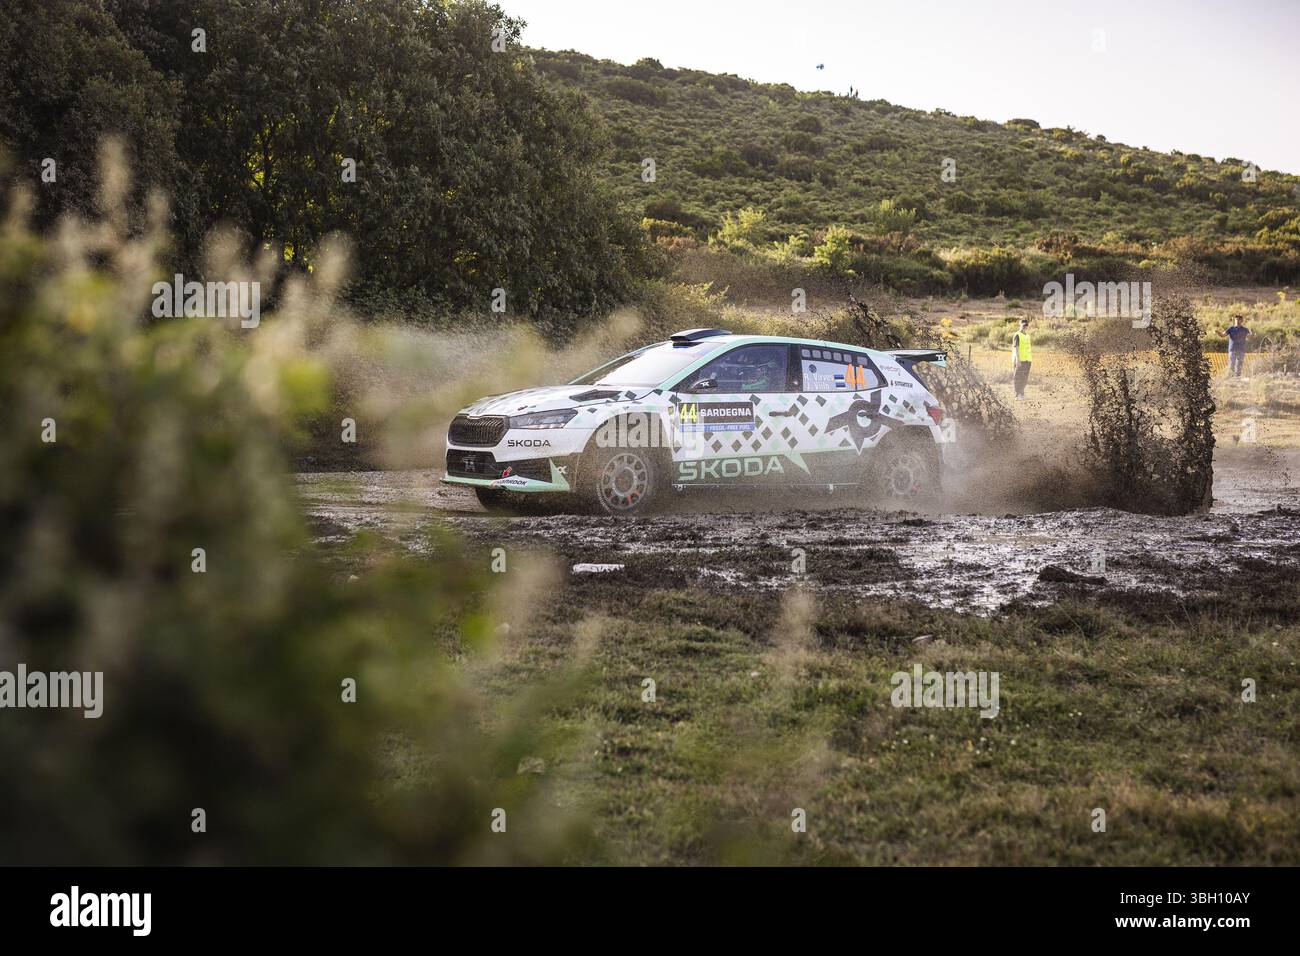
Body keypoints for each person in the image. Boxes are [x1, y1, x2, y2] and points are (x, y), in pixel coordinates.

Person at [1011, 318, 1032, 400]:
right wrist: (1018, 360)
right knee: (1018, 377)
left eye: (1026, 325)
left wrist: (1030, 359)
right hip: (1020, 360)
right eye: (1023, 325)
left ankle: (1021, 394)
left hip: (1028, 360)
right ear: (1020, 325)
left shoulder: (1027, 335)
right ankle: (1017, 395)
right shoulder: (1017, 334)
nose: (1025, 327)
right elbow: (1016, 347)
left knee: (1025, 378)